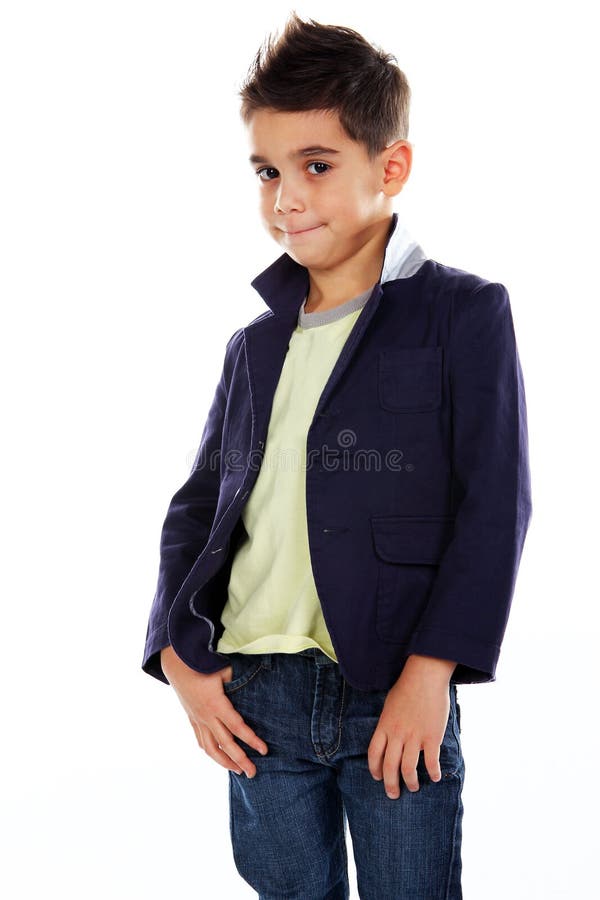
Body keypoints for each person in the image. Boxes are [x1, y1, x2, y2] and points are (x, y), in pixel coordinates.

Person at [141, 12, 532, 899]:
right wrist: (176, 654)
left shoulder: (464, 314)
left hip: (392, 686)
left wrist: (432, 672)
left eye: (316, 166)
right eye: (267, 171)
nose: (286, 198)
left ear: (390, 168)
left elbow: (494, 502)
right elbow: (199, 504)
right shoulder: (253, 345)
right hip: (254, 694)